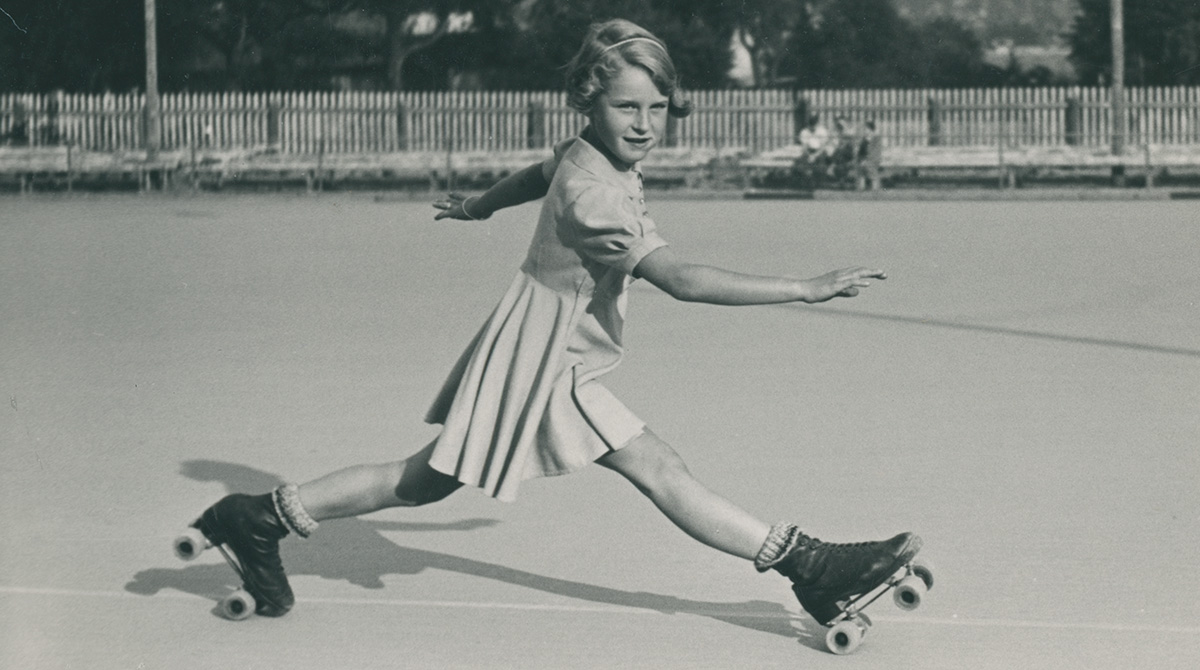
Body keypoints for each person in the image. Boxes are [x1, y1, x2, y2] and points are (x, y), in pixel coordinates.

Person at [186, 19, 921, 628]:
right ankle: (810, 566)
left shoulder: (584, 153)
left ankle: (261, 514)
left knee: (424, 481)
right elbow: (679, 279)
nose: (644, 124)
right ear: (589, 101)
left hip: (536, 346)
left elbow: (538, 174)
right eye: (627, 107)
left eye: (656, 108)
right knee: (658, 468)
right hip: (548, 362)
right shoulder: (596, 197)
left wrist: (478, 205)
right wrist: (803, 288)